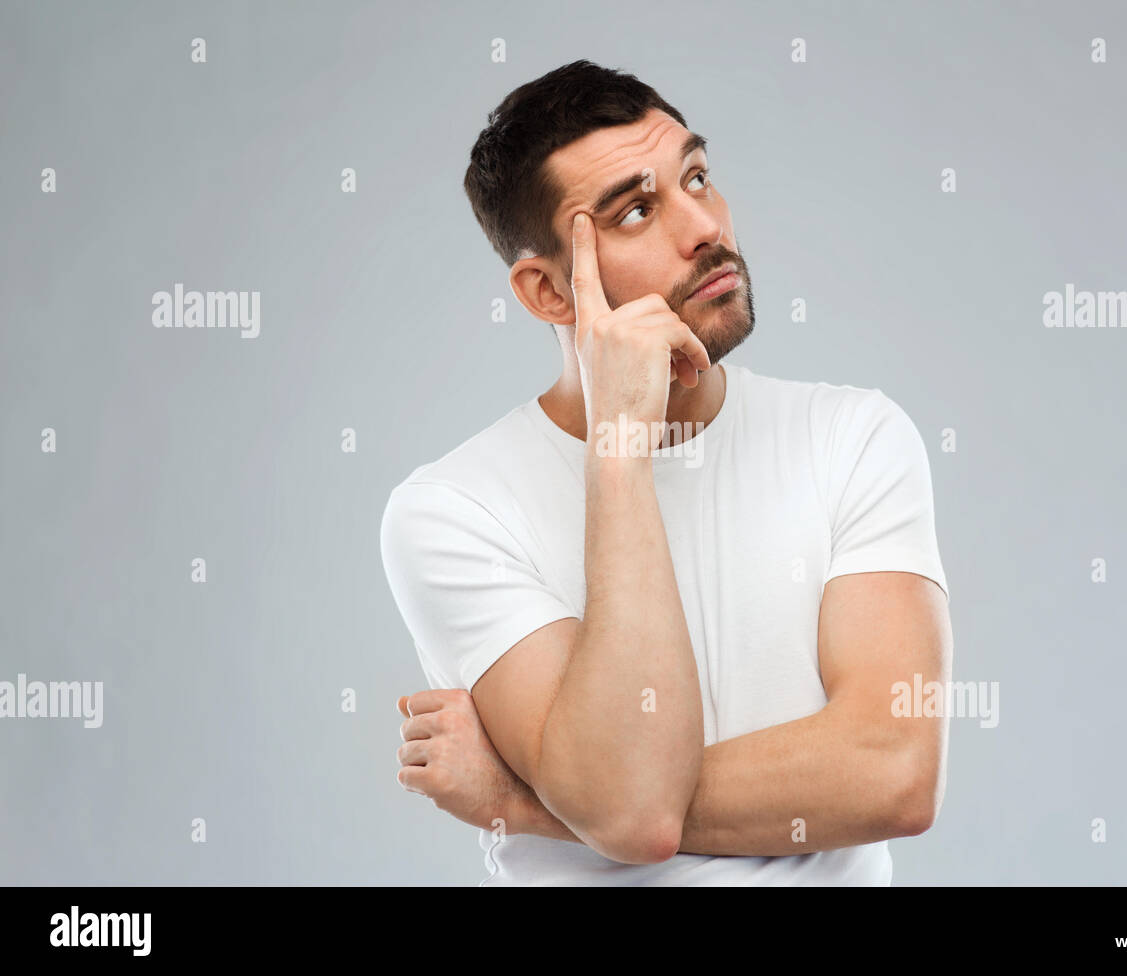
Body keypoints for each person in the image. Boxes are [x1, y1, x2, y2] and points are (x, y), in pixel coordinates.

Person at [380, 59, 953, 885]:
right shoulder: (454, 511)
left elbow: (892, 773)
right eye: (638, 211)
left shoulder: (854, 436)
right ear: (547, 292)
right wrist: (619, 450)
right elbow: (633, 812)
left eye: (697, 177)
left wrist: (527, 799)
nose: (704, 227)